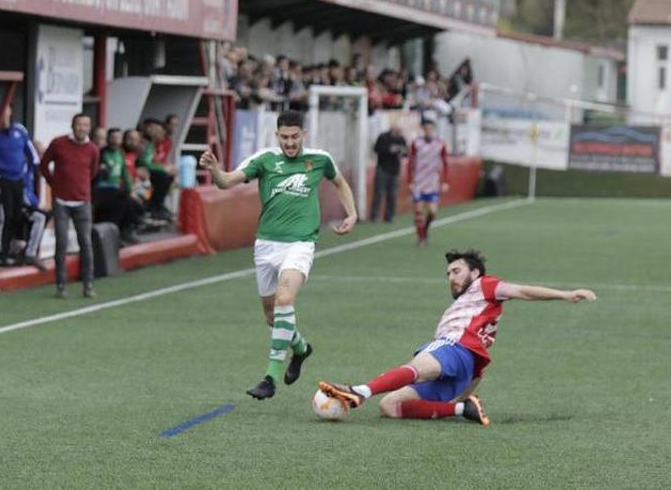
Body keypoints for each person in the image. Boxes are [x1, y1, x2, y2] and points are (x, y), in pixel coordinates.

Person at [318, 250, 596, 425]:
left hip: (455, 348)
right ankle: (464, 410)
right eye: (448, 273)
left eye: (456, 270)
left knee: (417, 368)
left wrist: (565, 295)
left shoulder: (484, 285)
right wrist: (465, 394)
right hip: (464, 369)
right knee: (390, 405)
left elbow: (521, 291)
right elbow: (478, 364)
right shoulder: (467, 306)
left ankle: (359, 392)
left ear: (474, 273)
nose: (450, 277)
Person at [199, 109, 358, 400]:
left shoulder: (320, 159)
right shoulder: (264, 160)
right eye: (284, 137)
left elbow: (339, 182)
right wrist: (214, 170)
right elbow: (226, 182)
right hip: (266, 246)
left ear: (303, 135)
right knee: (273, 317)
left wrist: (352, 213)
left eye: (295, 137)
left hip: (300, 244)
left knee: (285, 298)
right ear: (277, 136)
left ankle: (270, 377)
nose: (290, 142)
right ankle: (300, 348)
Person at [39, 113, 100, 299]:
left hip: (82, 201)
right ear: (72, 126)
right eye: (79, 125)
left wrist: (81, 188)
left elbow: (93, 172)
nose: (82, 128)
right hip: (61, 201)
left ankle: (88, 284)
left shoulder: (93, 149)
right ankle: (61, 285)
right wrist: (55, 184)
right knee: (61, 243)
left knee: (86, 243)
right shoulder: (58, 144)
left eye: (86, 125)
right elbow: (43, 165)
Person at [0, 104, 39, 264]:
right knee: (6, 216)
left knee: (17, 216)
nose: (4, 113)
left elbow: (32, 156)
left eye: (6, 109)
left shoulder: (20, 130)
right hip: (2, 180)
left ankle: (14, 251)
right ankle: (2, 253)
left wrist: (29, 175)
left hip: (19, 179)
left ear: (11, 110)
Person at [407, 119, 449, 246]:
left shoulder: (440, 143)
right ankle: (421, 238)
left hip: (432, 182)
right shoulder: (416, 143)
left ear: (434, 129)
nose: (428, 130)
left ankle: (425, 229)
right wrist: (410, 181)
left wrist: (445, 181)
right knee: (418, 210)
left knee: (432, 212)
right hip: (418, 182)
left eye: (430, 128)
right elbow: (410, 162)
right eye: (426, 128)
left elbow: (445, 163)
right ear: (423, 129)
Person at [370, 124, 408, 223]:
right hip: (383, 168)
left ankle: (389, 216)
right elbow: (376, 149)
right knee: (378, 193)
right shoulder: (383, 137)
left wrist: (402, 151)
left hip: (395, 170)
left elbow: (406, 153)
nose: (399, 133)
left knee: (393, 195)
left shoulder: (401, 139)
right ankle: (375, 215)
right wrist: (389, 150)